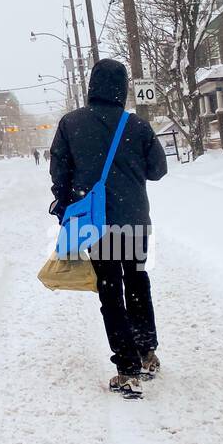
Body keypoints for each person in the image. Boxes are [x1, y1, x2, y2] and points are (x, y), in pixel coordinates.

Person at [48, 59, 168, 398]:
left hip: (95, 223)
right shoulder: (138, 126)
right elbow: (158, 170)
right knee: (137, 281)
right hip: (134, 221)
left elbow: (59, 173)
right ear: (123, 88)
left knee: (110, 290)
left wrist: (67, 199)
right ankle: (147, 352)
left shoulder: (71, 124)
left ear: (92, 85)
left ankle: (126, 368)